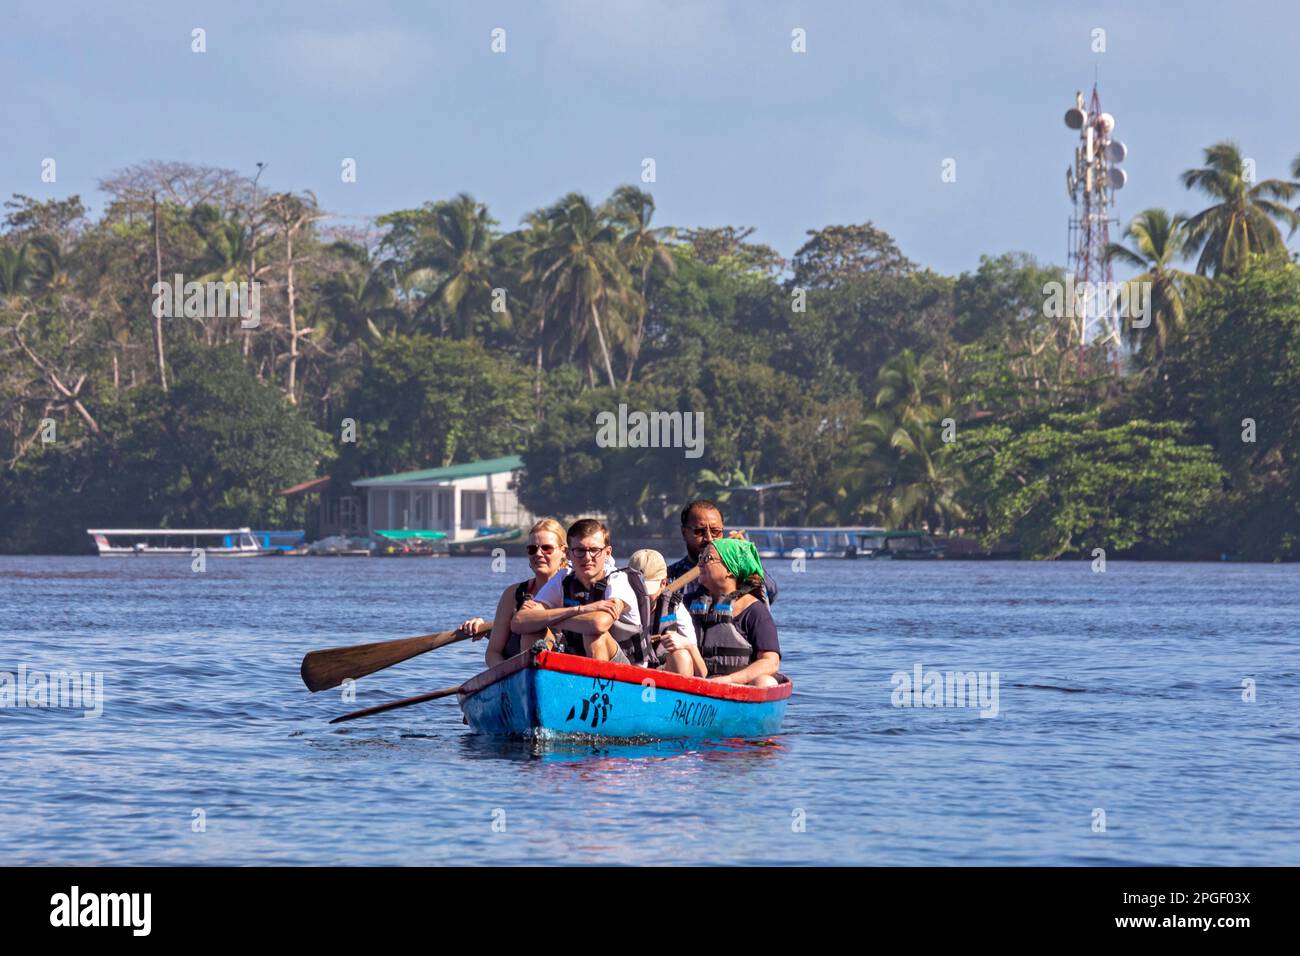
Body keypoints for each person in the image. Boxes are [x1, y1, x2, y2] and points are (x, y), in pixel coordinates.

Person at [511, 519, 656, 666]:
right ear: (568, 554)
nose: (587, 558)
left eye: (594, 550)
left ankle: (596, 688)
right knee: (532, 633)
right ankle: (534, 686)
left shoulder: (617, 580)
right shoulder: (563, 579)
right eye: (580, 550)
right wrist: (580, 609)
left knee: (593, 635)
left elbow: (597, 624)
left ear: (607, 553)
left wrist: (545, 617)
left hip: (628, 670)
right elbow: (518, 622)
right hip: (579, 665)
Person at [459, 518, 567, 666]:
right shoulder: (513, 594)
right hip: (521, 672)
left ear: (563, 551)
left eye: (546, 548)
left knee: (532, 628)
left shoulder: (575, 588)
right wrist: (508, 673)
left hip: (565, 670)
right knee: (531, 631)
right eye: (532, 549)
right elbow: (493, 653)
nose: (538, 554)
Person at [692, 537, 781, 687]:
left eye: (707, 558)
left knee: (766, 681)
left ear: (729, 570)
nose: (699, 563)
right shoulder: (686, 604)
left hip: (737, 686)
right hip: (694, 685)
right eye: (700, 557)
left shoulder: (755, 611)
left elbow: (771, 662)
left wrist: (729, 680)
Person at [665, 499, 778, 616]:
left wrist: (748, 561)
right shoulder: (669, 577)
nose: (709, 538)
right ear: (684, 533)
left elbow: (770, 594)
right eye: (699, 532)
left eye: (715, 531)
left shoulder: (736, 572)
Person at [628, 548, 706, 677]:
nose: (642, 596)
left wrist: (687, 644)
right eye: (636, 588)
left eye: (647, 590)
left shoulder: (675, 608)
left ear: (663, 583)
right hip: (626, 670)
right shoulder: (616, 599)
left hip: (660, 674)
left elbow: (702, 673)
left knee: (681, 655)